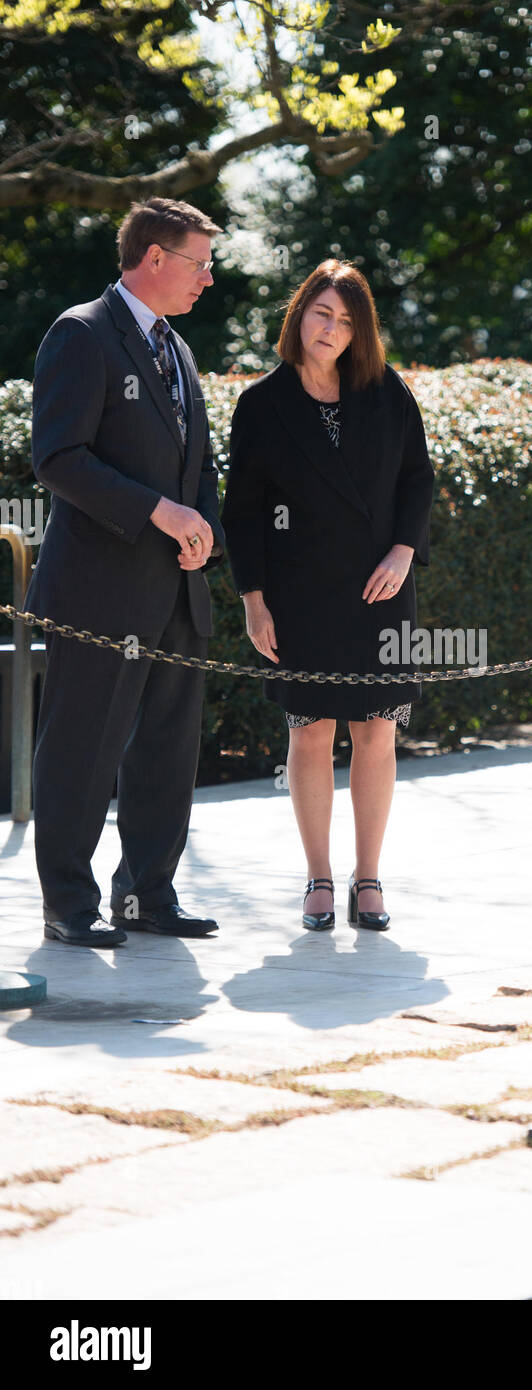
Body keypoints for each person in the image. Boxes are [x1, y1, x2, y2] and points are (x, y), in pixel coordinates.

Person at [26, 196, 226, 948]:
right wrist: (158, 513)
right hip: (98, 589)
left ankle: (147, 896)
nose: (208, 278)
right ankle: (68, 906)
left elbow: (194, 462)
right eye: (199, 263)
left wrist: (199, 524)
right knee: (82, 747)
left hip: (177, 586)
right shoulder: (81, 334)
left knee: (167, 750)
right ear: (153, 259)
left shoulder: (176, 347)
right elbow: (60, 458)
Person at [221, 259, 434, 931]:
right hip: (298, 595)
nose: (332, 329)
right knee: (309, 732)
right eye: (321, 313)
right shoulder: (261, 403)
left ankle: (367, 879)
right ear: (299, 315)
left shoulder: (386, 391)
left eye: (346, 320)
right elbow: (244, 512)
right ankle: (317, 878)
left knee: (377, 732)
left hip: (380, 590)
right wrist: (253, 599)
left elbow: (417, 480)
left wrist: (404, 550)